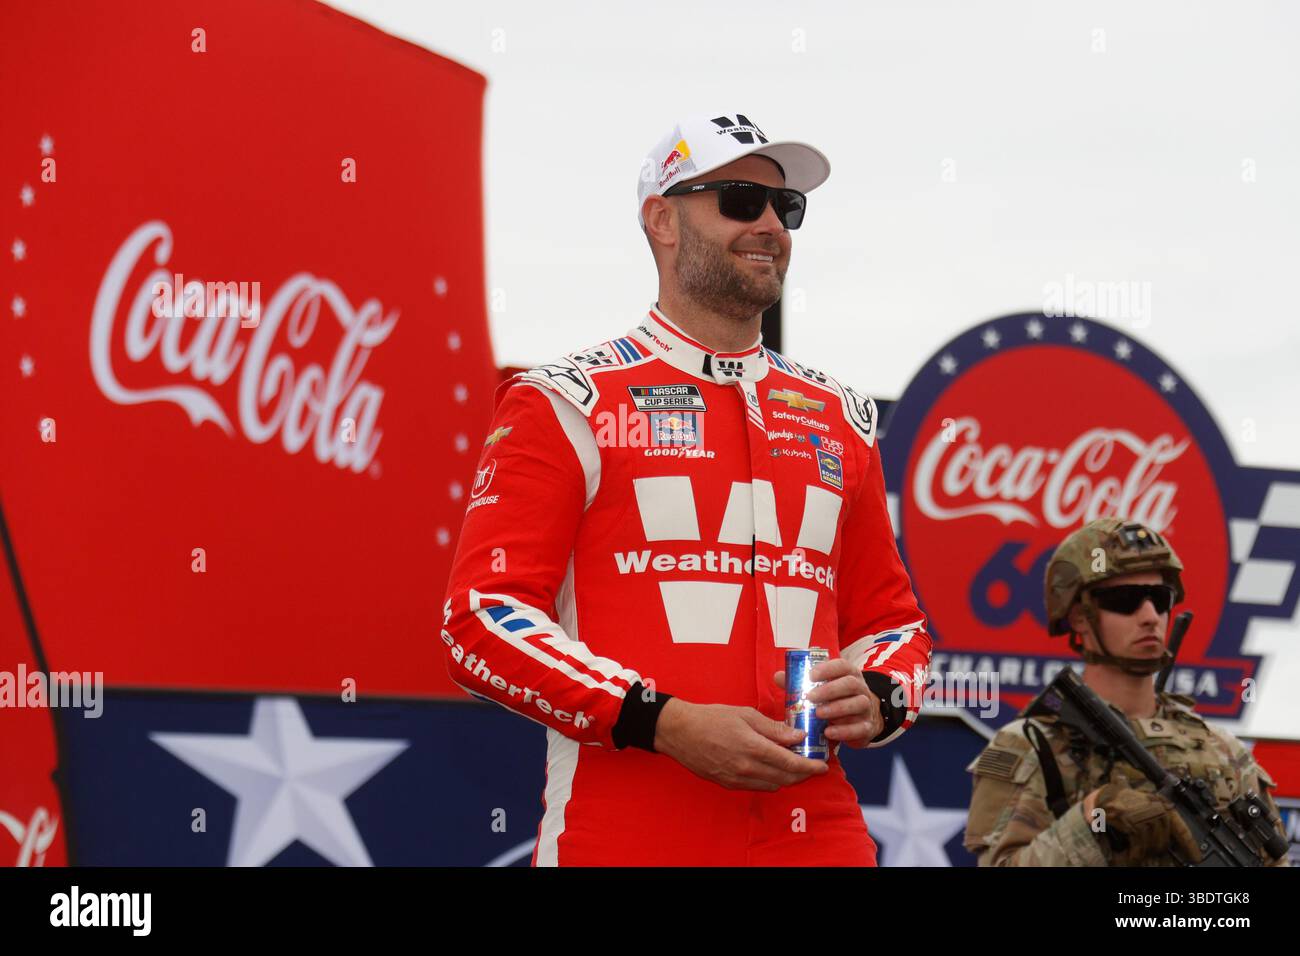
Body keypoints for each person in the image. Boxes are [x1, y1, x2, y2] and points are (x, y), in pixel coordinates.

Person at [440, 112, 932, 866]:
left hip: (815, 827)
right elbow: (480, 621)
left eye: (786, 207)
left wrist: (880, 694)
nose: (771, 223)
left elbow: (895, 625)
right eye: (741, 199)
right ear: (661, 220)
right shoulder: (566, 399)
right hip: (627, 825)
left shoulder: (841, 415)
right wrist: (660, 720)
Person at [963, 517, 1289, 866]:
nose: (1149, 616)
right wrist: (1092, 820)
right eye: (1125, 600)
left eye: (1159, 598)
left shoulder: (1224, 753)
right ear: (1078, 617)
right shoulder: (1032, 745)